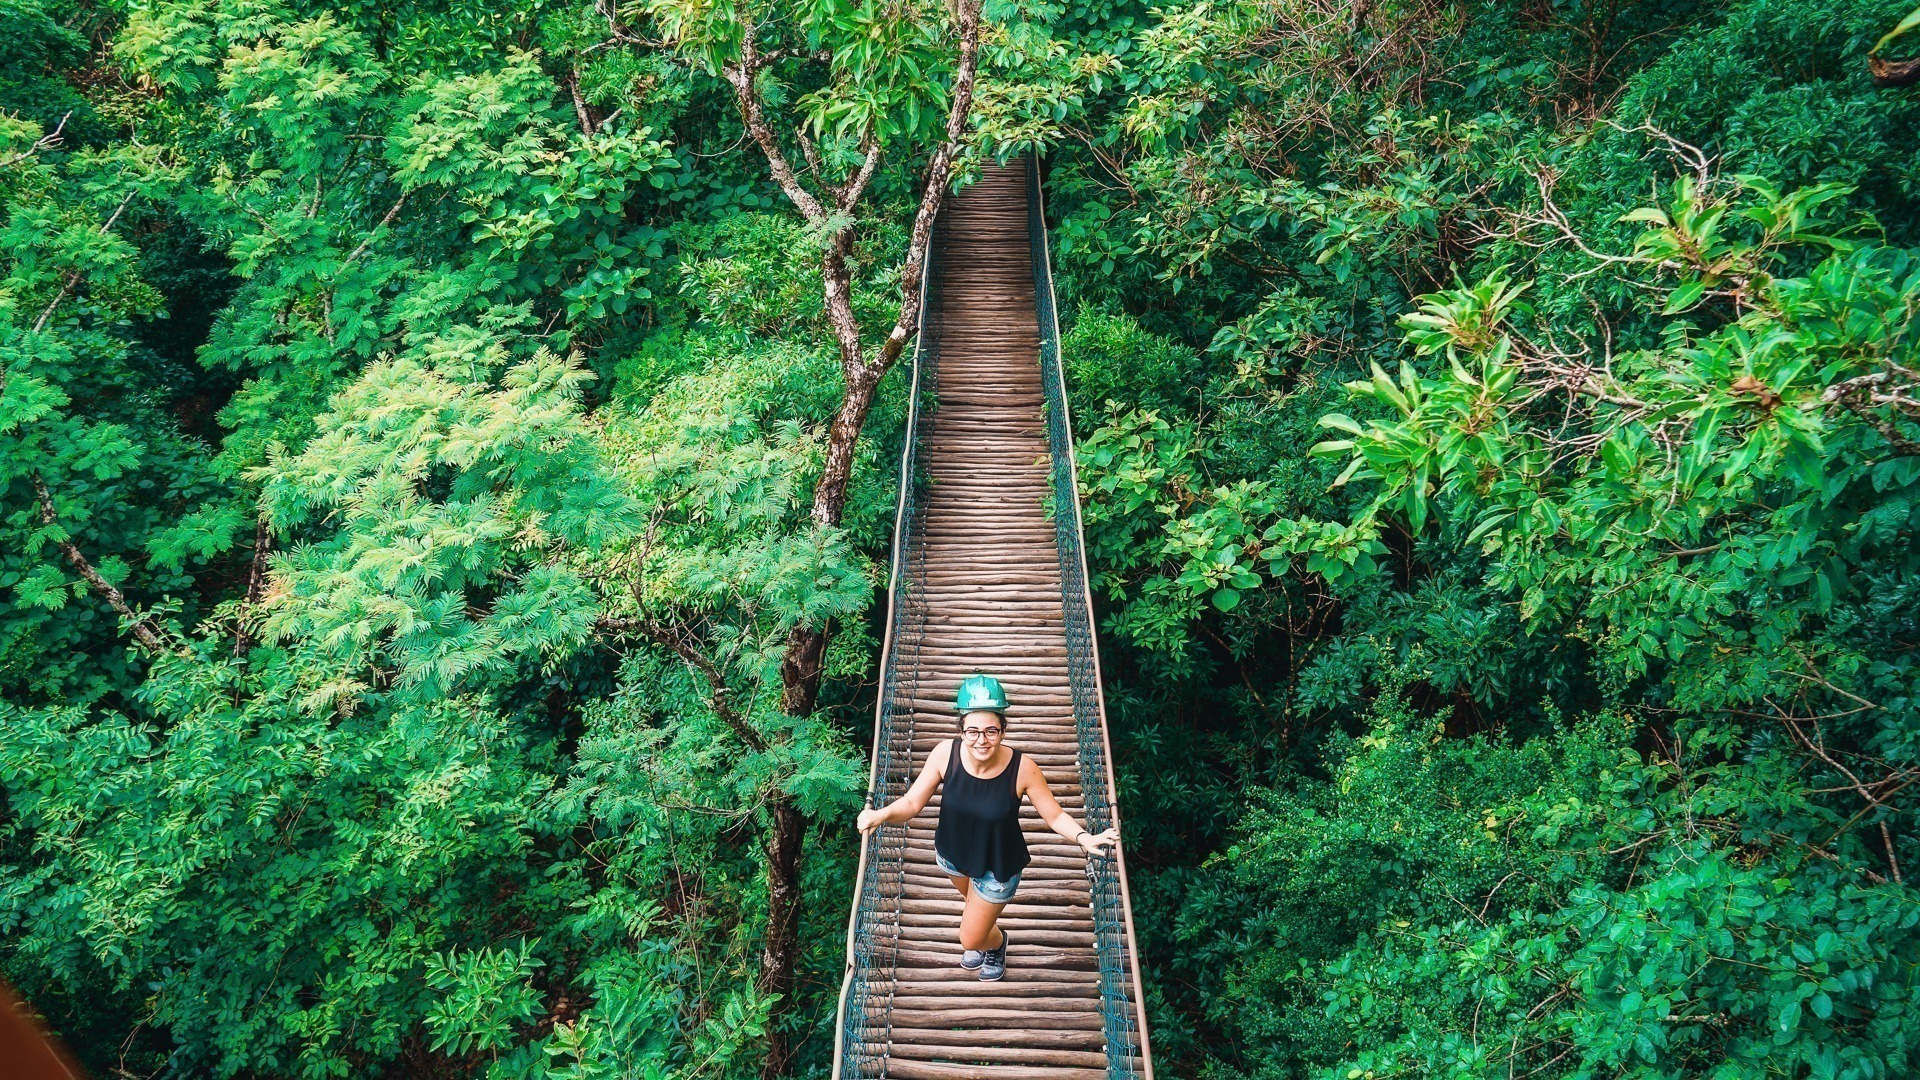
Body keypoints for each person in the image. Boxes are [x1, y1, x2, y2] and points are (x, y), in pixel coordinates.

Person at [856, 673, 1120, 981]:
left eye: (991, 731)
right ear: (961, 729)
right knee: (972, 908)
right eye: (973, 731)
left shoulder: (1023, 768)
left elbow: (1054, 815)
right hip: (953, 856)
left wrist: (1084, 837)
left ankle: (995, 943)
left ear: (1003, 729)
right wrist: (881, 815)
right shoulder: (945, 754)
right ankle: (984, 932)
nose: (981, 740)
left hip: (997, 866)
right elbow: (913, 803)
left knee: (970, 938)